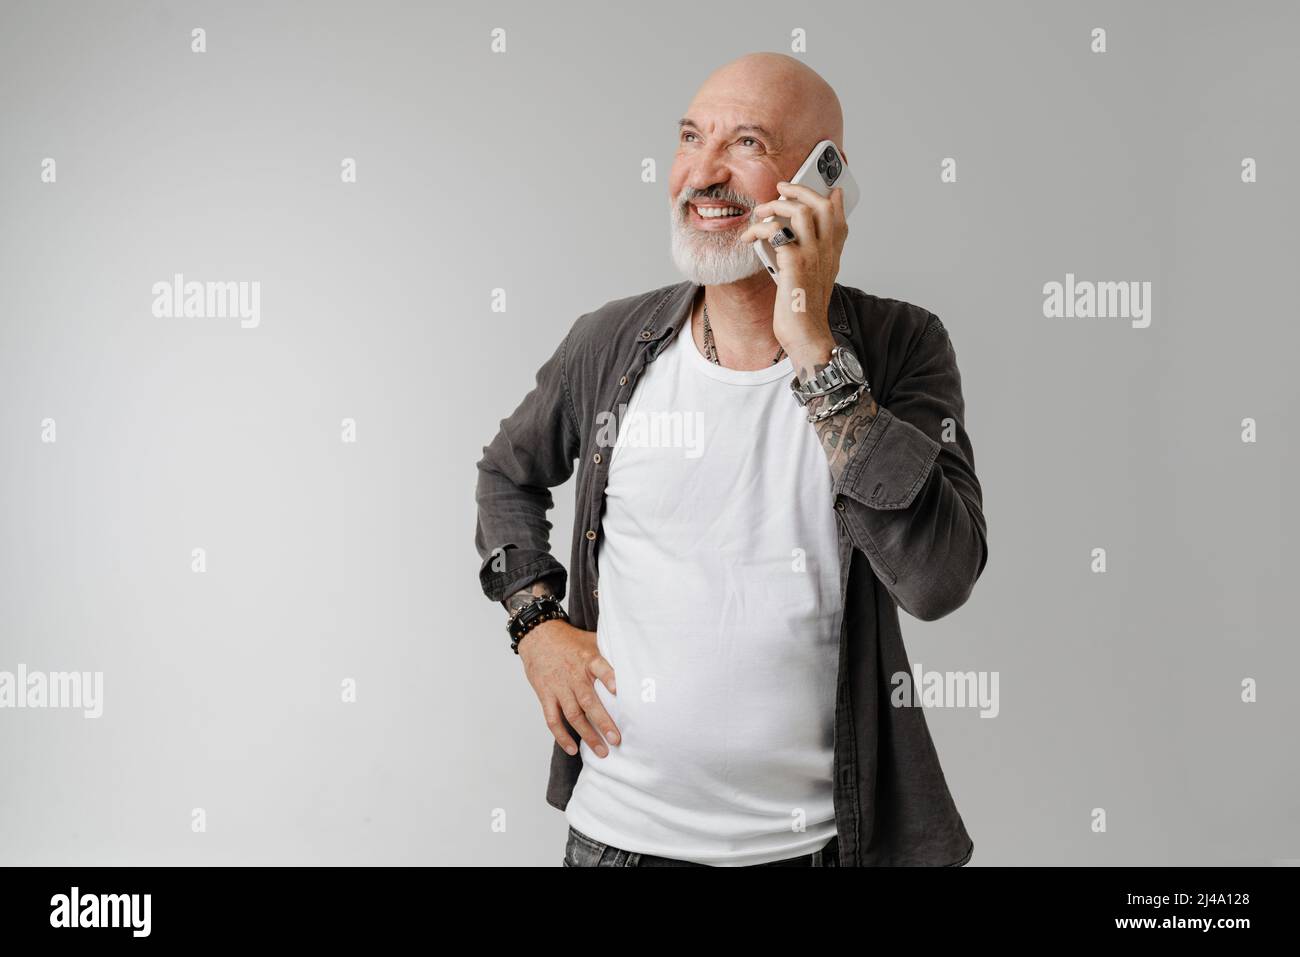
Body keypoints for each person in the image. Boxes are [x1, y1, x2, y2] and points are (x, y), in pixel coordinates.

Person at [475, 52, 989, 867]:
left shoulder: (901, 347)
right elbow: (506, 473)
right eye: (691, 137)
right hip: (618, 841)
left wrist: (813, 345)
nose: (702, 173)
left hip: (820, 847)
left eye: (746, 143)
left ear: (822, 180)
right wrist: (536, 625)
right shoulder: (607, 343)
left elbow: (938, 578)